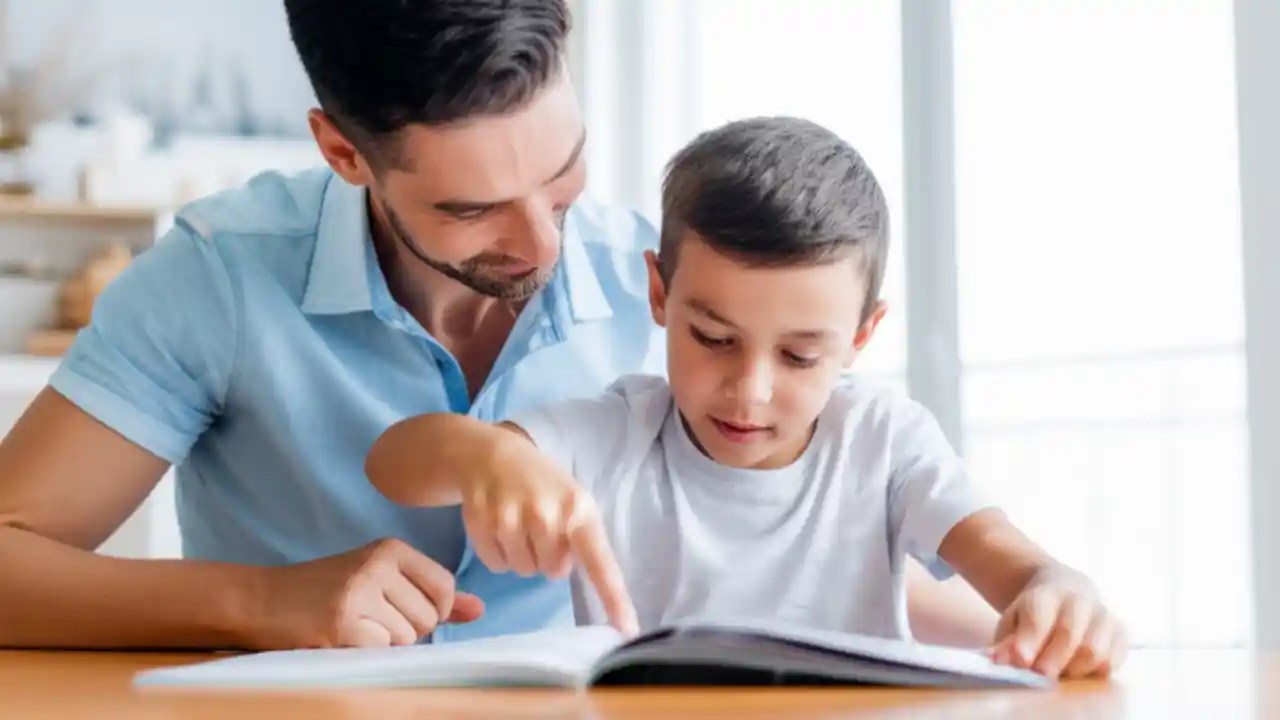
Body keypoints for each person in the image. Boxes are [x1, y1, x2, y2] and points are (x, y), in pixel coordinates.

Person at [0, 0, 988, 650]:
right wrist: (261, 603)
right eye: (470, 211)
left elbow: (793, 567)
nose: (544, 246)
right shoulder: (219, 281)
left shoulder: (684, 300)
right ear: (344, 154)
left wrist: (1002, 624)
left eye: (561, 176)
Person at [369, 117, 1127, 679]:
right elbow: (393, 464)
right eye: (713, 338)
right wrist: (482, 457)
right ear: (660, 293)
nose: (750, 391)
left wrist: (1059, 588)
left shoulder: (885, 441)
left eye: (801, 355)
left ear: (862, 336)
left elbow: (1017, 568)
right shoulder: (620, 433)